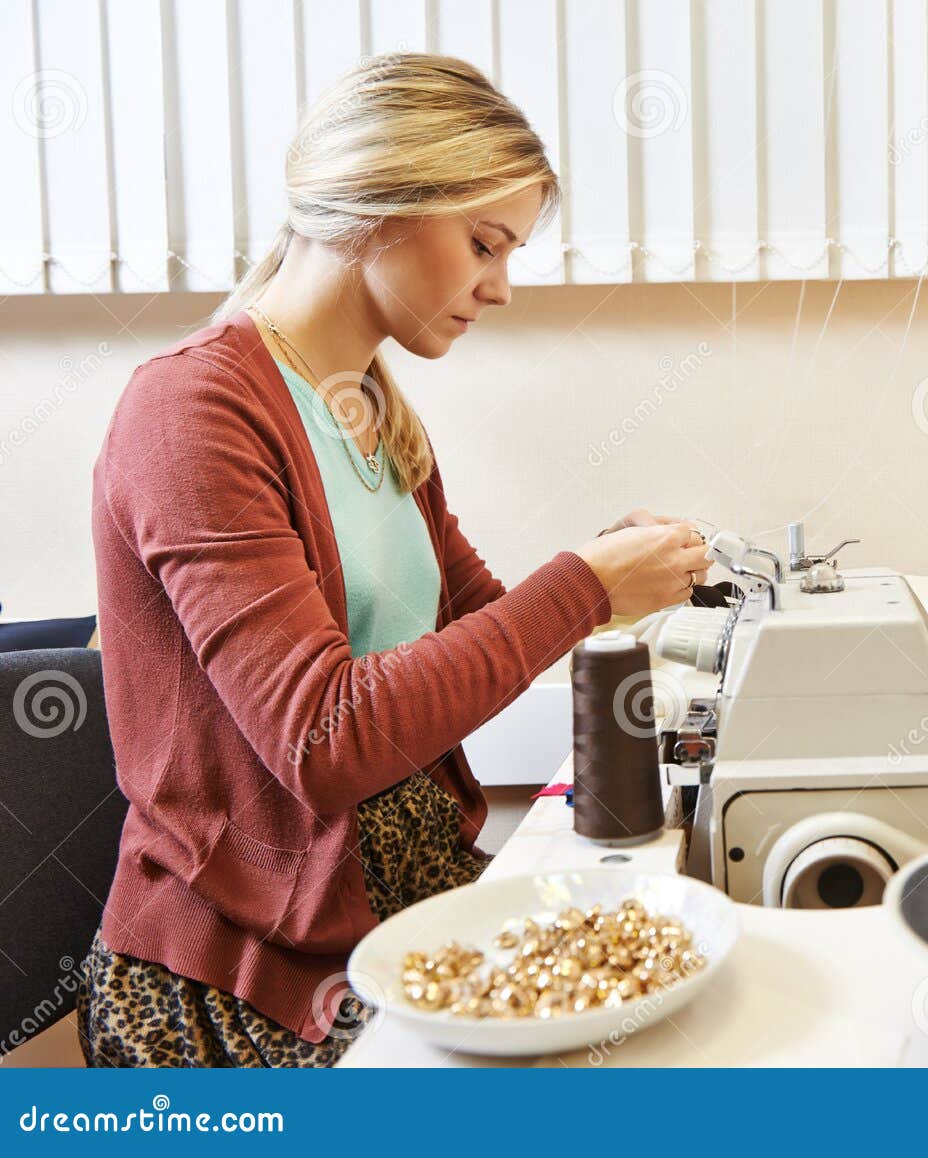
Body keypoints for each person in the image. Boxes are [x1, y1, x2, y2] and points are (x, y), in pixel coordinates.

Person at [76, 53, 709, 1067]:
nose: (500, 288)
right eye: (484, 244)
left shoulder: (374, 410)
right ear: (379, 206)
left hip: (403, 898)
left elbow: (480, 633)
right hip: (249, 971)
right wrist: (586, 585)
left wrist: (609, 577)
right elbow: (325, 741)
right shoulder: (191, 412)